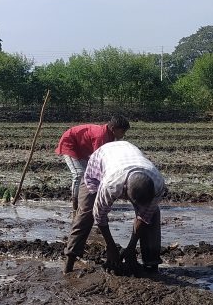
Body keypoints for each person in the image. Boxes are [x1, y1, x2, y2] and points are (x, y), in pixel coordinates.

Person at [63, 140, 167, 275]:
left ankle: (151, 264)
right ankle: (70, 260)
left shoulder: (158, 185)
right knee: (87, 211)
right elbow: (99, 215)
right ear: (125, 190)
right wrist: (110, 246)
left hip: (130, 158)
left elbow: (143, 217)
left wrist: (131, 247)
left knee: (152, 215)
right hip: (101, 159)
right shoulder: (111, 184)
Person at [55, 116, 130, 213]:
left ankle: (88, 201)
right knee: (79, 174)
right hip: (70, 143)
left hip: (82, 147)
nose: (123, 135)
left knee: (90, 176)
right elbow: (98, 159)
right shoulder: (101, 136)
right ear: (113, 129)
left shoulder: (111, 137)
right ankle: (75, 205)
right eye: (122, 132)